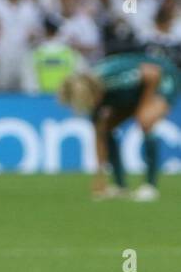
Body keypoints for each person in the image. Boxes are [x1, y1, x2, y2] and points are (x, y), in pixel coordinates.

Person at [58, 51, 181, 202]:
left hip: (163, 78)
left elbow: (152, 74)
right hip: (134, 92)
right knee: (106, 129)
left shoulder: (112, 80)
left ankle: (150, 187)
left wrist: (145, 105)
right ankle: (120, 186)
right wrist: (99, 177)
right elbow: (99, 137)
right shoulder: (92, 99)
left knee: (145, 120)